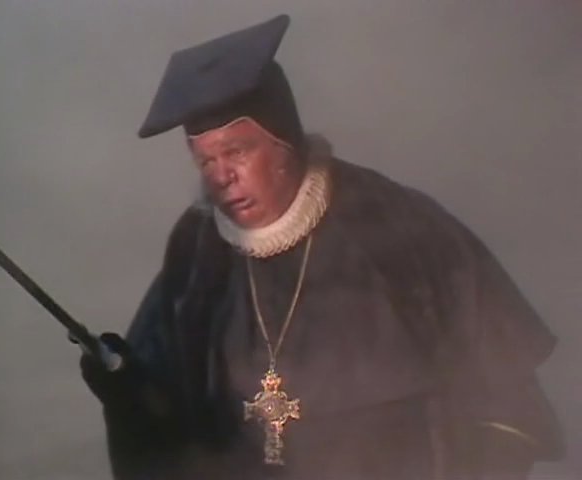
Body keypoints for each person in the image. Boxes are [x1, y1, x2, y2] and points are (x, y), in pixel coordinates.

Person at [79, 14, 564, 480]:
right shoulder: (196, 248)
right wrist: (125, 385)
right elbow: (163, 411)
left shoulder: (394, 224)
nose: (222, 177)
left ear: (284, 142)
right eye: (205, 161)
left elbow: (506, 401)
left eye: (236, 152)